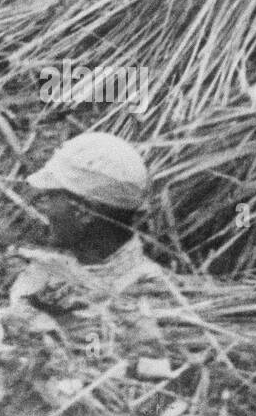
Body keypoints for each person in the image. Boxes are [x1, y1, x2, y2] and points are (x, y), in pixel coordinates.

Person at [9, 132, 166, 319]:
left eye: (51, 197)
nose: (43, 207)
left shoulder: (148, 297)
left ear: (83, 212)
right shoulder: (46, 275)